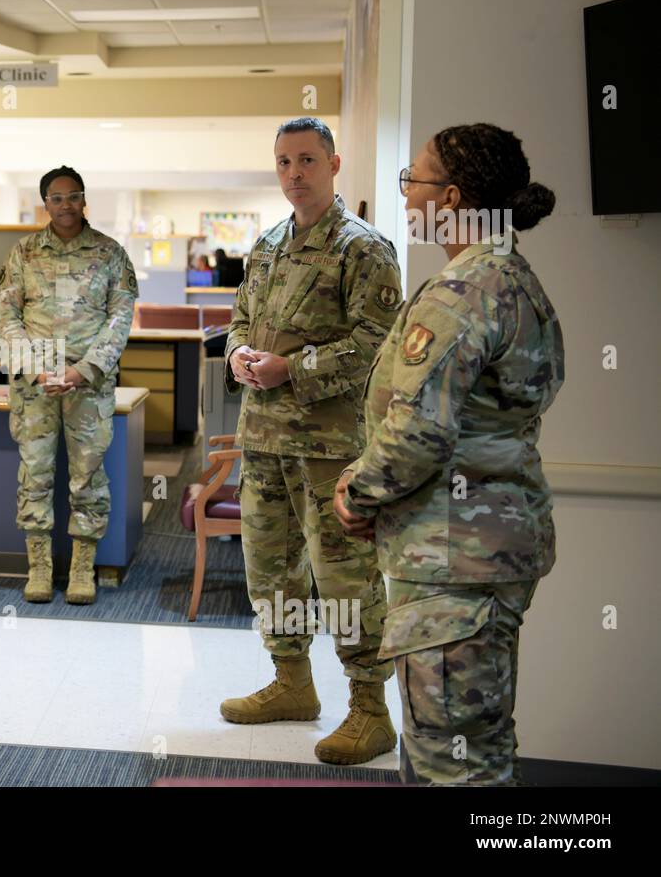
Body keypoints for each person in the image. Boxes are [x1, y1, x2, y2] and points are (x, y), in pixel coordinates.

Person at [335, 123, 563, 786]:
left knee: (450, 759)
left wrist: (356, 491)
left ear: (455, 197)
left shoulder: (463, 295)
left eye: (416, 180)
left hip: (451, 559)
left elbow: (417, 435)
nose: (407, 195)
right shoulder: (517, 281)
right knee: (477, 742)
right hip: (490, 548)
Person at [221, 117, 404, 765]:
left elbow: (375, 346)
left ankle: (369, 707)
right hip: (265, 436)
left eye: (305, 160)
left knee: (345, 576)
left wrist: (291, 369)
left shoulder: (364, 248)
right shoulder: (268, 243)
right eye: (283, 161)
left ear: (333, 163)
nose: (293, 173)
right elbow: (241, 320)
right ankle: (292, 681)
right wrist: (240, 355)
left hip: (330, 445)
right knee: (271, 567)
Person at [0, 166, 137, 604]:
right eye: (55, 198)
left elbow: (119, 319)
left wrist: (83, 371)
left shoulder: (111, 253)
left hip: (88, 385)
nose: (65, 205)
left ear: (83, 200)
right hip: (35, 386)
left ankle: (81, 568)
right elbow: (7, 317)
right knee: (34, 474)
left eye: (72, 196)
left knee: (88, 476)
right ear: (45, 204)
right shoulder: (22, 253)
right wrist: (38, 369)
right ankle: (39, 567)